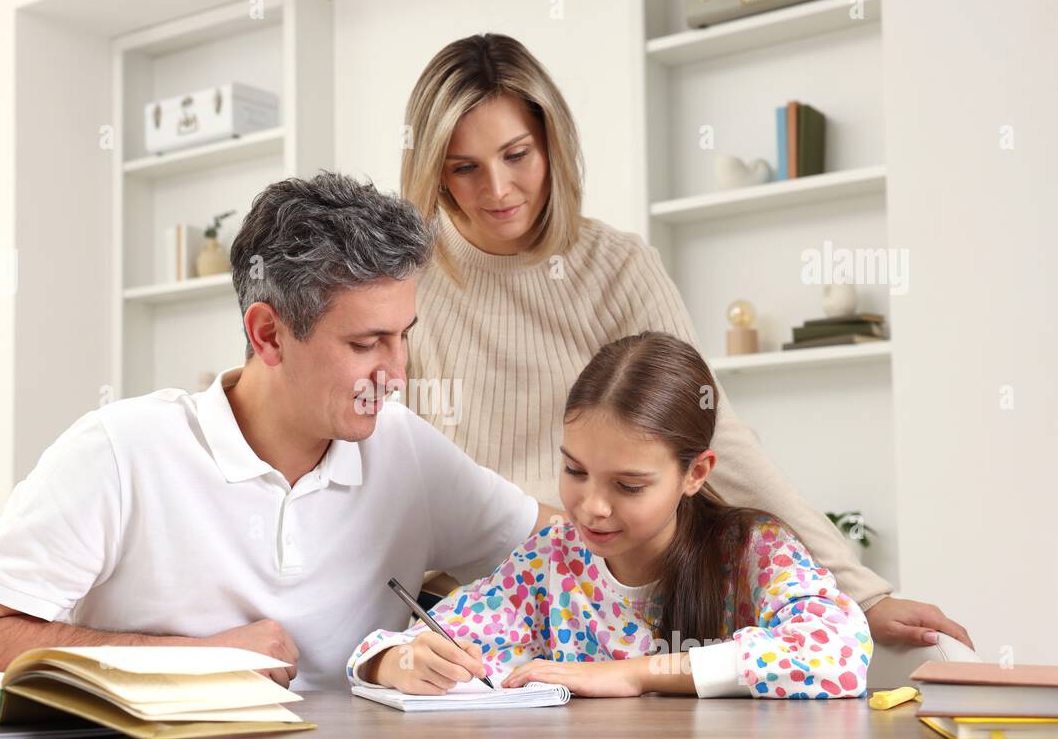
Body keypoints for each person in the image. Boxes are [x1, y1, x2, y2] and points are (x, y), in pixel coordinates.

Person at [398, 32, 971, 652]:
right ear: (433, 169)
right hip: (465, 610)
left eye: (517, 156)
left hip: (602, 602)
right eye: (464, 168)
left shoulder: (615, 268)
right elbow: (388, 461)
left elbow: (712, 428)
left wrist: (860, 593)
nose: (499, 190)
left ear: (551, 144)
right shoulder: (407, 282)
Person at [0, 171, 562, 691]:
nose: (396, 375)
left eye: (404, 337)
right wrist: (199, 656)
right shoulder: (120, 452)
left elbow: (571, 551)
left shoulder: (406, 453)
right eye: (367, 343)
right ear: (268, 335)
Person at [348, 332, 871, 699]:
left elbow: (838, 654)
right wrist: (397, 662)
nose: (593, 507)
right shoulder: (550, 561)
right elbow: (402, 642)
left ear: (695, 473)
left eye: (628, 485)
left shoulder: (754, 551)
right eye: (575, 471)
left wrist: (637, 674)